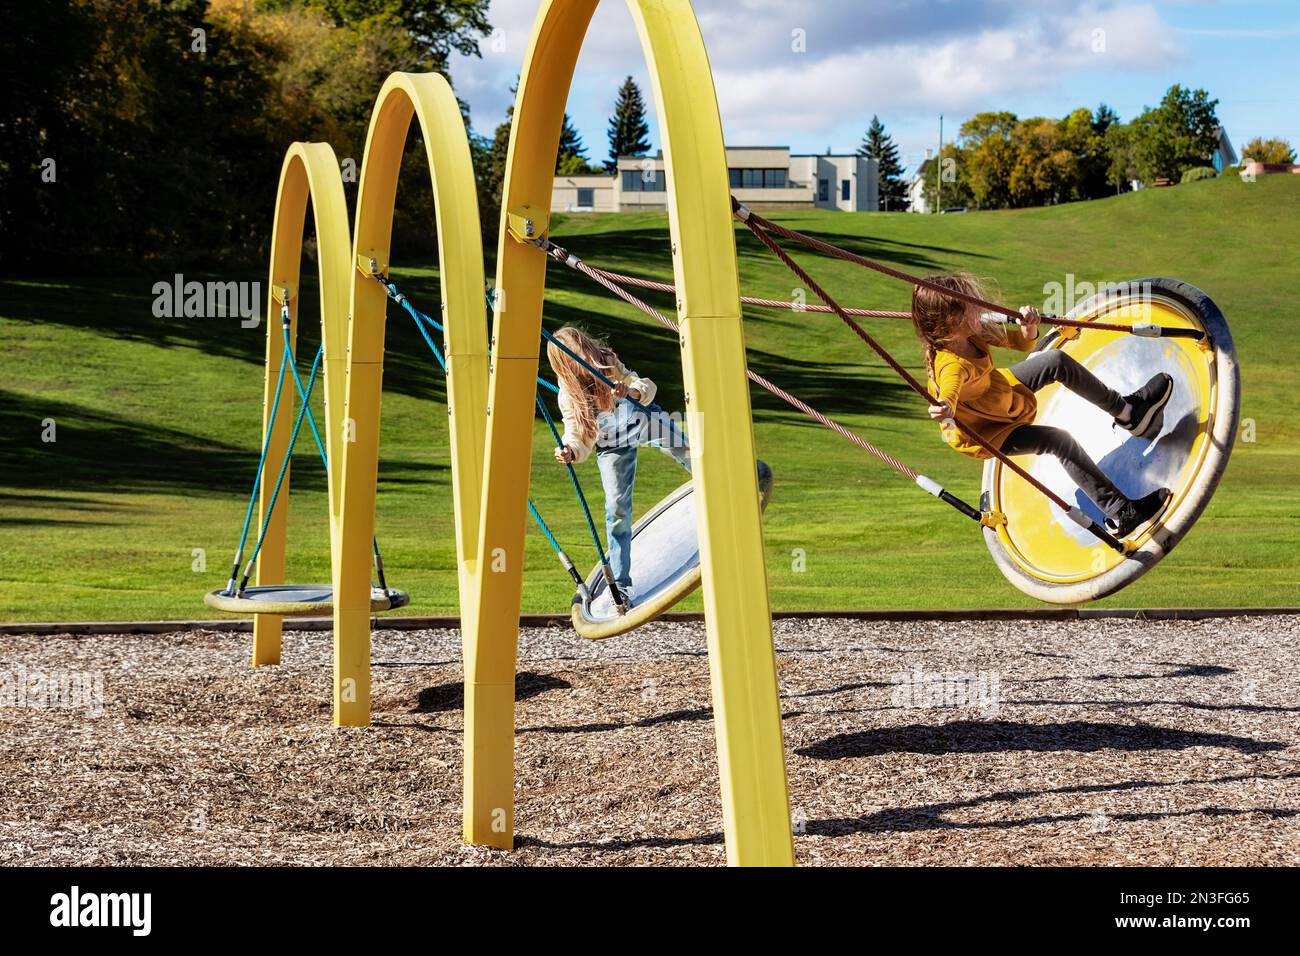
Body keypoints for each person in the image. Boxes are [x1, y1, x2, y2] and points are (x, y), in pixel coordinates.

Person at [913, 273, 1173, 537]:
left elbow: (1020, 342)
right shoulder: (951, 365)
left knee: (1056, 362)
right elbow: (949, 392)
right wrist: (944, 406)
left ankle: (1129, 413)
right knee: (1058, 441)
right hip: (986, 430)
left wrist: (1028, 329)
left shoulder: (971, 333)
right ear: (953, 319)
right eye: (971, 304)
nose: (979, 306)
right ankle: (1121, 511)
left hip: (998, 392)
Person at [546, 326, 690, 606]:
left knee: (685, 448)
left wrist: (631, 392)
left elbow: (644, 385)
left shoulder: (607, 361)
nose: (584, 361)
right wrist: (570, 451)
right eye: (575, 359)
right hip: (611, 441)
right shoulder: (568, 395)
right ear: (565, 366)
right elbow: (577, 433)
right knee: (617, 510)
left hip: (639, 418)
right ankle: (622, 583)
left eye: (583, 353)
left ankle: (719, 483)